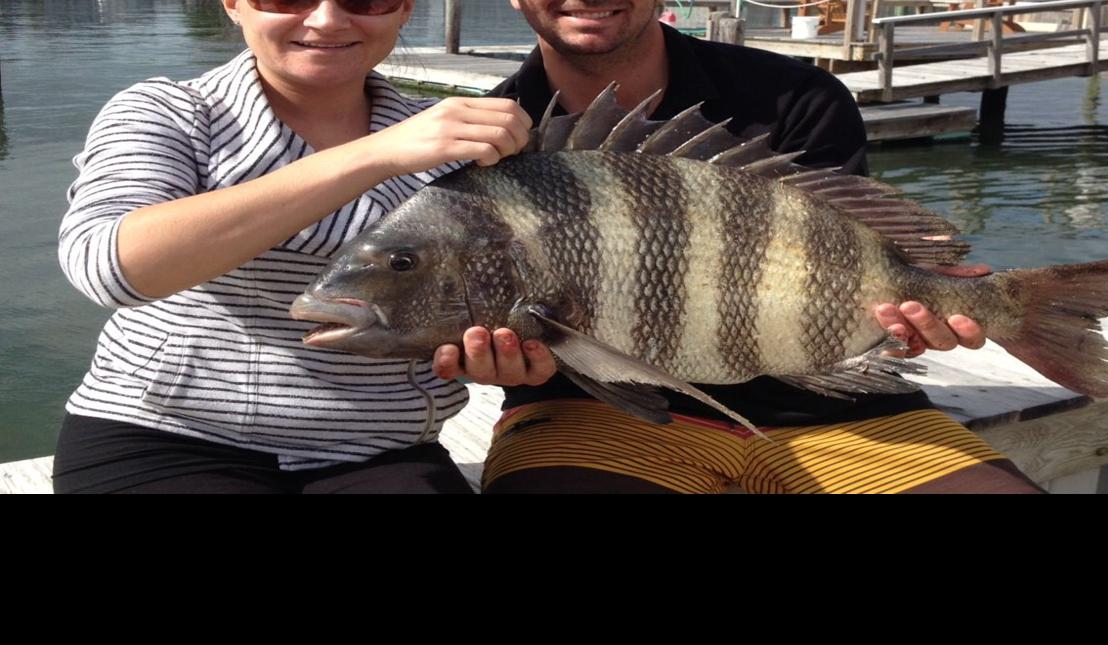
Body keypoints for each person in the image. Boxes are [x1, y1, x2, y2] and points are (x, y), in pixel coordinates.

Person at [432, 0, 1045, 493]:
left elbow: (861, 260)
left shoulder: (797, 97)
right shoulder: (485, 138)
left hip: (830, 410)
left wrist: (909, 317)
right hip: (595, 415)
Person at [53, 0, 538, 493]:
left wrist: (510, 351)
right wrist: (375, 154)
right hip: (163, 435)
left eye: (365, 0)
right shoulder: (170, 112)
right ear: (234, 5)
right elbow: (109, 268)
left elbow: (504, 292)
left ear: (404, 10)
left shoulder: (460, 139)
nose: (327, 19)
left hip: (379, 446)